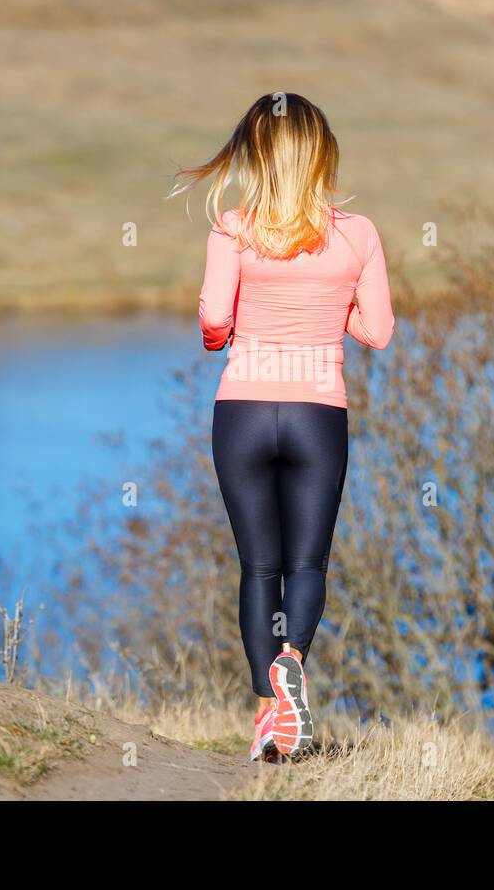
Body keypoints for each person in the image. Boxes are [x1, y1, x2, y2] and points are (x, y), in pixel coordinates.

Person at [173, 93, 395, 760]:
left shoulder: (232, 230)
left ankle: (269, 715)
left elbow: (214, 319)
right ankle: (292, 659)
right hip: (317, 414)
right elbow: (379, 331)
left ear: (255, 156)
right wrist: (332, 315)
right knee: (306, 563)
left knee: (257, 567)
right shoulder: (358, 233)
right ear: (322, 153)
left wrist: (230, 327)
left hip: (242, 411)